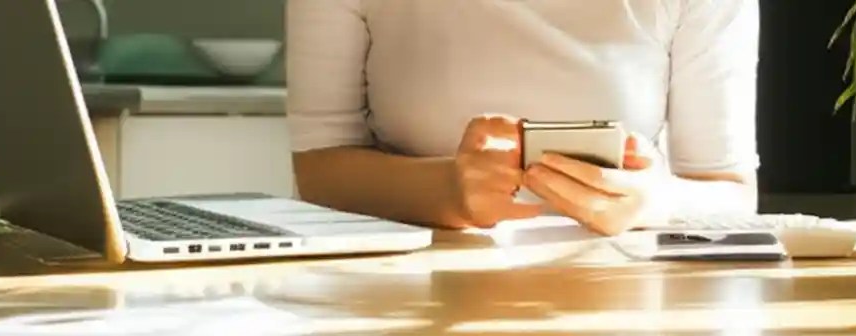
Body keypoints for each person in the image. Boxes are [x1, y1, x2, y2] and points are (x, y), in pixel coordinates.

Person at [286, 0, 759, 237]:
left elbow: (732, 195)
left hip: (625, 302)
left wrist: (652, 203)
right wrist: (446, 192)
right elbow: (318, 172)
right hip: (396, 296)